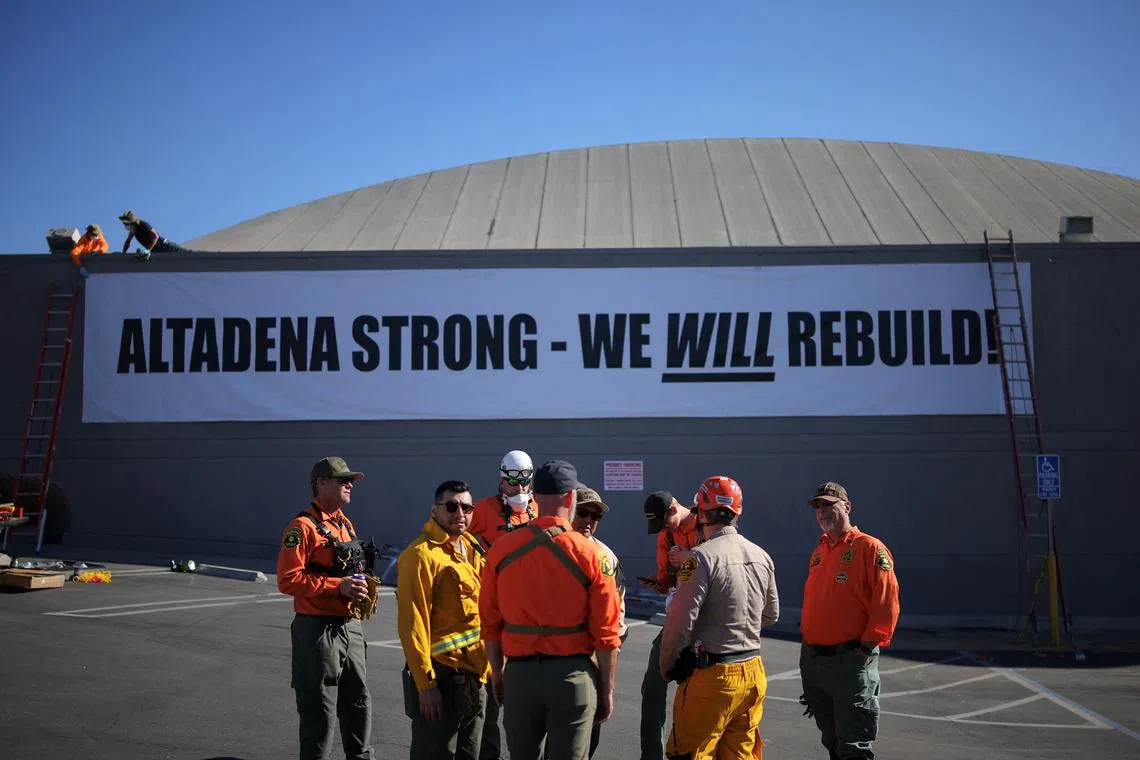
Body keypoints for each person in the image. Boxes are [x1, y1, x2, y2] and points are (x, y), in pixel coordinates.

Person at [479, 460, 623, 760]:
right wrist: (607, 688)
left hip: (519, 676)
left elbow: (490, 622)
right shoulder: (592, 555)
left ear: (535, 497)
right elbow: (606, 633)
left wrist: (497, 673)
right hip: (572, 678)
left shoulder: (501, 550)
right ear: (571, 498)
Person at [659, 475, 780, 759]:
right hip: (753, 672)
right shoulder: (761, 556)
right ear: (737, 512)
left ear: (701, 511)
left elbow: (680, 622)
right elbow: (771, 614)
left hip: (714, 676)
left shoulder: (699, 558)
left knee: (690, 753)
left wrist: (667, 665)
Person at [277, 456, 376, 760]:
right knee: (320, 712)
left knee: (359, 703)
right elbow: (288, 579)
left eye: (351, 481)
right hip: (318, 633)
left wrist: (363, 586)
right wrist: (339, 586)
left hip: (350, 627)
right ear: (321, 484)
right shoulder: (301, 527)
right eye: (343, 480)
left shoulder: (345, 523)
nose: (350, 485)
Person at [798, 482, 900, 760]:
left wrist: (866, 648)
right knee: (831, 741)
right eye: (818, 506)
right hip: (815, 661)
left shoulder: (869, 548)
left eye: (829, 504)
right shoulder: (819, 551)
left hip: (850, 661)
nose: (822, 511)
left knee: (854, 746)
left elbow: (886, 604)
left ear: (847, 506)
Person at [397, 480, 490, 760]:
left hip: (476, 674)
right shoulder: (420, 555)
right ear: (435, 509)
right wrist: (426, 686)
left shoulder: (473, 547)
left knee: (469, 753)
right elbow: (413, 625)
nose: (459, 512)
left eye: (466, 506)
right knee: (435, 753)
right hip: (442, 676)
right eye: (451, 506)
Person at [466, 449, 537, 760]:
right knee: (492, 694)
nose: (519, 490)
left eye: (524, 483)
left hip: (530, 614)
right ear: (501, 481)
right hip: (495, 609)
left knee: (528, 697)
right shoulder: (482, 510)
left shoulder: (537, 508)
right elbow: (458, 542)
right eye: (512, 483)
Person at [562, 485, 628, 759]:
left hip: (589, 663)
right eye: (583, 512)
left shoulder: (606, 557)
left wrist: (607, 668)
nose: (588, 520)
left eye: (595, 516)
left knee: (587, 742)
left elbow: (617, 615)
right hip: (550, 660)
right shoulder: (545, 548)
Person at [639, 490, 702, 760]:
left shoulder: (705, 523)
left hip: (704, 623)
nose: (664, 531)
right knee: (652, 685)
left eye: (665, 523)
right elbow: (668, 582)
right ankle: (650, 755)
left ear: (674, 509)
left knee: (696, 696)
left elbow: (721, 566)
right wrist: (659, 583)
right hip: (677, 618)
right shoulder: (666, 536)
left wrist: (689, 557)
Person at [118, 209, 187, 259]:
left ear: (131, 222)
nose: (125, 225)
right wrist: (123, 253)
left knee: (186, 256)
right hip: (156, 251)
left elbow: (155, 236)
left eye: (126, 223)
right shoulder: (133, 230)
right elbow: (128, 241)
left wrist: (147, 250)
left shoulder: (143, 224)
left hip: (165, 246)